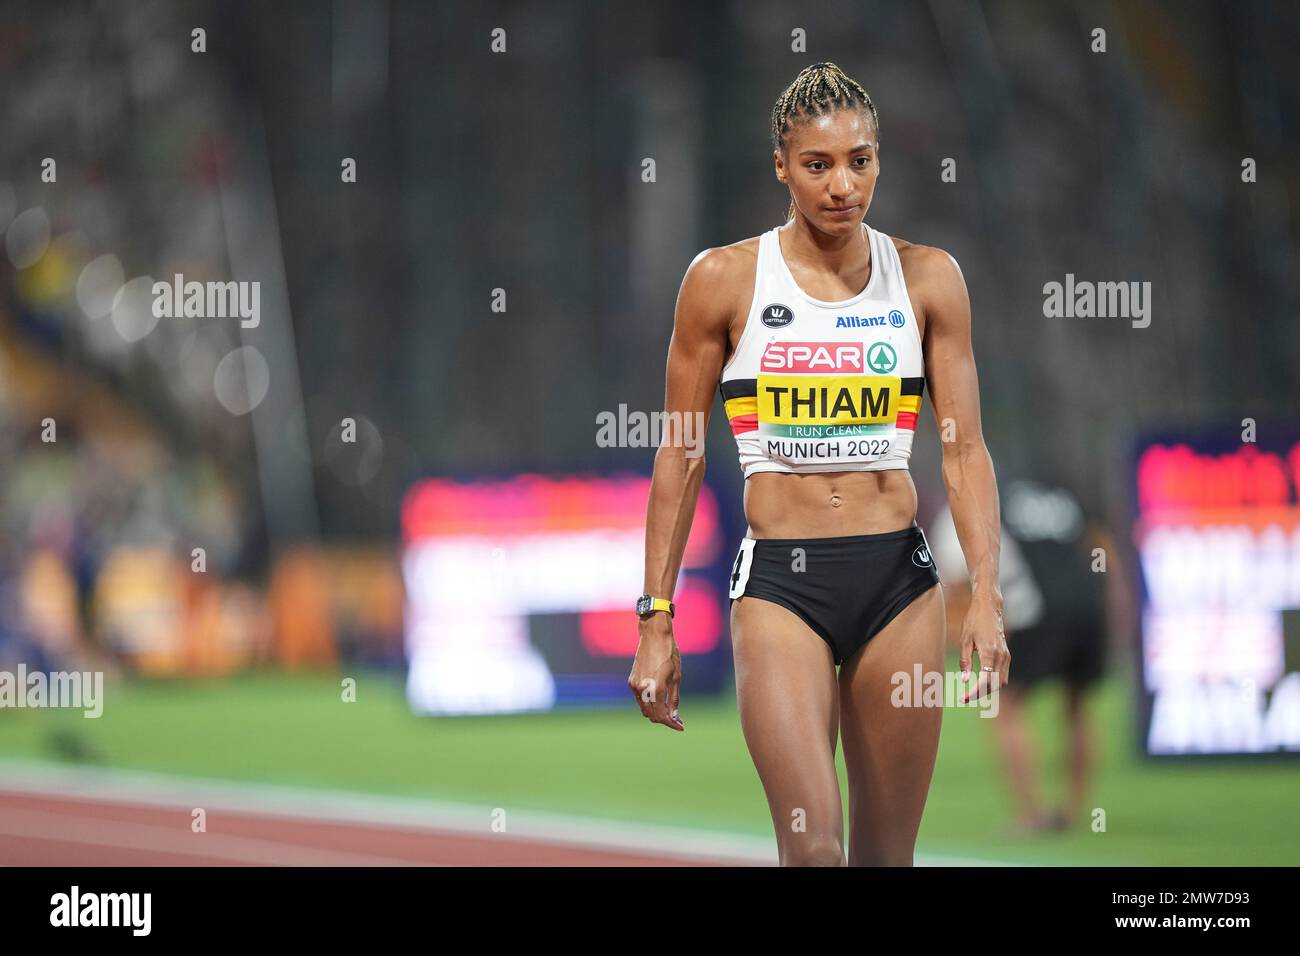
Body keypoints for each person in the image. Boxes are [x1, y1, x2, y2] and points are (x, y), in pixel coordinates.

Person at [629, 62, 1008, 866]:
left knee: (884, 859)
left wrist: (986, 596)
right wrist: (655, 616)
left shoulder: (929, 279)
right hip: (780, 589)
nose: (843, 185)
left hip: (899, 587)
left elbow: (964, 450)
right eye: (818, 165)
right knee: (812, 850)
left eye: (860, 161)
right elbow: (680, 454)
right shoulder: (723, 281)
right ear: (780, 164)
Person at [930, 479, 1108, 835]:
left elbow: (950, 578)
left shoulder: (968, 502)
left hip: (1033, 611)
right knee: (1077, 706)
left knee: (1006, 706)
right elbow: (1100, 546)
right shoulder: (1056, 494)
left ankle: (1031, 814)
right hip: (1089, 607)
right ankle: (1074, 812)